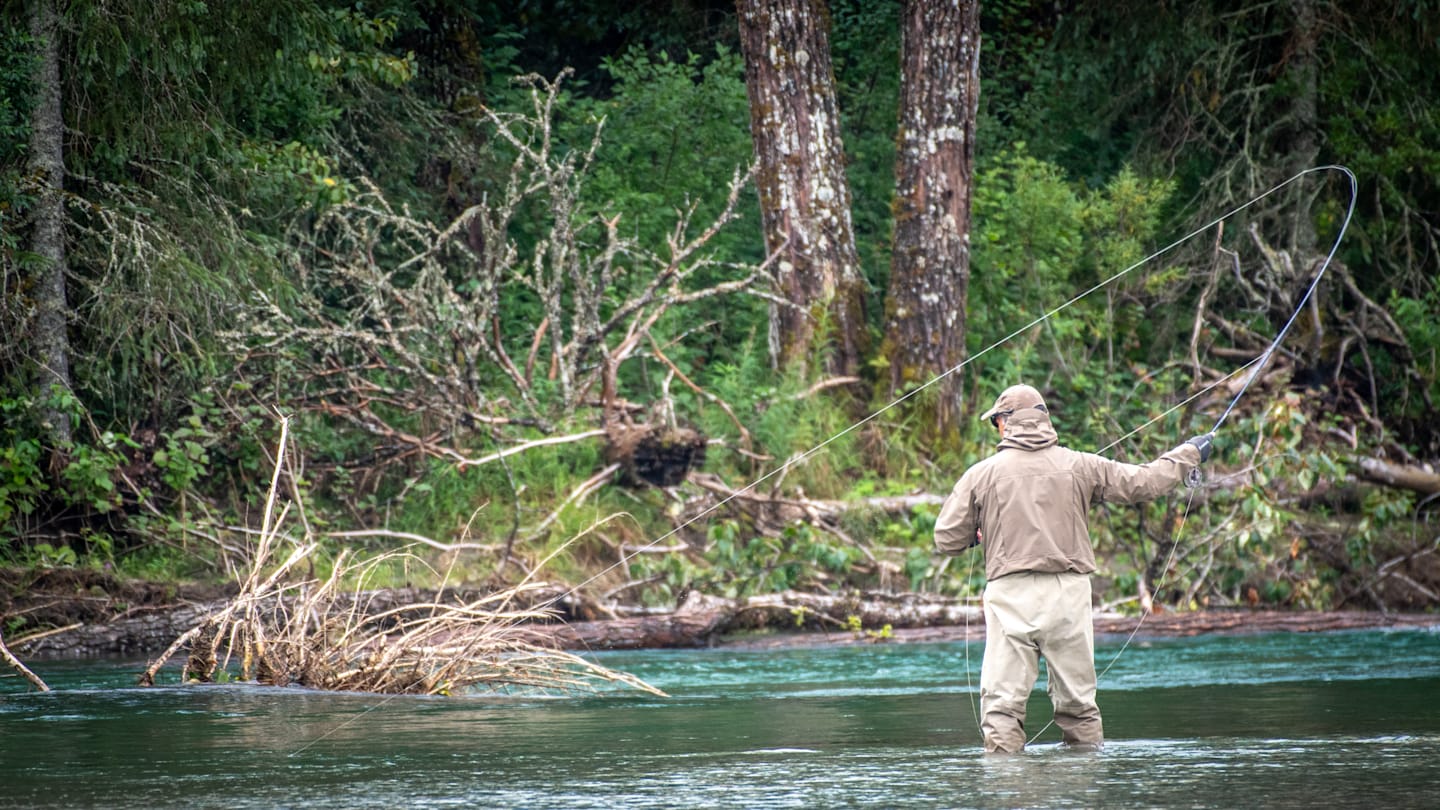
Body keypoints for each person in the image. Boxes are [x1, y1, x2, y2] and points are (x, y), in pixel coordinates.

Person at [934, 383, 1213, 753]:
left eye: (996, 422)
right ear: (1044, 421)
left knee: (1002, 711)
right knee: (1079, 708)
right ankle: (1081, 792)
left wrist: (976, 535)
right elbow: (1144, 482)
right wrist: (1190, 452)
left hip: (1010, 599)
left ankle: (1006, 794)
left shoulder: (981, 474)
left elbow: (946, 539)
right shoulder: (1081, 465)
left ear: (1005, 423)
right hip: (1069, 597)